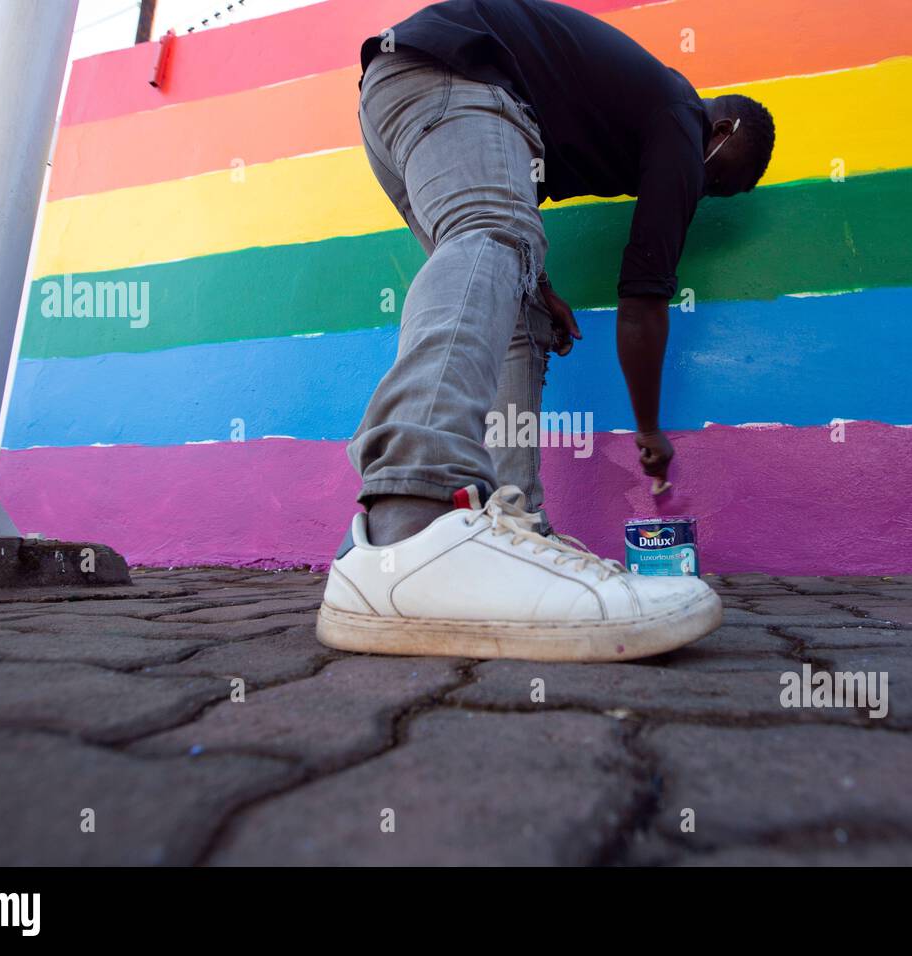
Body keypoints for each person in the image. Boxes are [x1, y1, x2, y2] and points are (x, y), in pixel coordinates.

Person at [318, 0, 775, 662]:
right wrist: (649, 434)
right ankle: (410, 514)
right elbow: (643, 301)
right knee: (494, 234)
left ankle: (512, 521)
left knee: (517, 308)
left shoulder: (625, 111)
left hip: (397, 97)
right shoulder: (683, 114)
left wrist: (538, 286)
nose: (701, 191)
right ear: (723, 126)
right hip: (454, 79)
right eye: (719, 178)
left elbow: (502, 193)